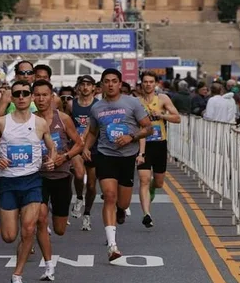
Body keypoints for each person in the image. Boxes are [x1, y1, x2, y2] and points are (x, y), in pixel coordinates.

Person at [0, 80, 56, 283]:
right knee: (9, 236)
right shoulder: (2, 122)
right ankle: (3, 220)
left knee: (28, 229)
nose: (21, 97)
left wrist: (52, 159)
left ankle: (17, 274)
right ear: (12, 97)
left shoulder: (40, 123)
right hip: (8, 182)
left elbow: (51, 146)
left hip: (32, 181)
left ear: (31, 97)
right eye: (17, 93)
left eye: (25, 93)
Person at [84, 68, 152, 261]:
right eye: (107, 81)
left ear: (120, 84)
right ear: (102, 84)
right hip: (106, 155)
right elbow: (93, 132)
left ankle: (121, 210)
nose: (111, 84)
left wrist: (131, 136)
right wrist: (86, 148)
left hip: (127, 156)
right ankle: (112, 246)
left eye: (114, 81)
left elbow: (148, 128)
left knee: (122, 202)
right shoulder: (97, 107)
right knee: (109, 196)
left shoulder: (132, 103)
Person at [33, 80, 83, 282]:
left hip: (61, 176)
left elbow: (79, 144)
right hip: (38, 177)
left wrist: (66, 157)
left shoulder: (63, 119)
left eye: (45, 95)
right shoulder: (30, 120)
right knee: (40, 219)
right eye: (37, 95)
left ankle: (56, 210)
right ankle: (48, 266)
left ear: (52, 96)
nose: (41, 99)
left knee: (60, 229)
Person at [136, 72, 181, 227]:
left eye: (151, 82)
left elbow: (177, 118)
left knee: (159, 182)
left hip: (159, 144)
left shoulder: (162, 99)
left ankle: (153, 189)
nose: (148, 84)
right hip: (142, 145)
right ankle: (146, 214)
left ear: (155, 83)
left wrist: (162, 114)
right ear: (141, 83)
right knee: (143, 179)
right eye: (145, 82)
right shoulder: (136, 102)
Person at [70, 75, 99, 230]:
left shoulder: (98, 105)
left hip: (94, 147)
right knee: (79, 174)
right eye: (83, 84)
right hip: (76, 146)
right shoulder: (71, 104)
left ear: (94, 87)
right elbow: (66, 123)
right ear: (79, 87)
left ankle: (87, 214)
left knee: (93, 185)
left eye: (89, 84)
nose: (86, 87)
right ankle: (79, 197)